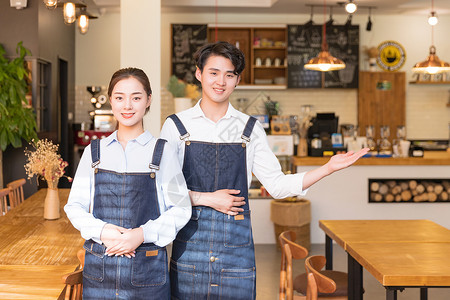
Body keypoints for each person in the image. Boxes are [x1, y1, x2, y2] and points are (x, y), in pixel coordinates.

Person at [160, 41, 369, 299]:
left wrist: (327, 168)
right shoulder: (176, 126)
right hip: (190, 245)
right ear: (199, 74)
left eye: (229, 74)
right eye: (213, 73)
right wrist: (208, 199)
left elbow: (278, 186)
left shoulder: (249, 128)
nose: (220, 82)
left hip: (236, 247)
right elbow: (164, 189)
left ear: (238, 80)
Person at [65, 67, 191, 299]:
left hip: (148, 275)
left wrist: (141, 234)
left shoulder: (163, 153)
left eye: (136, 98)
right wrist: (102, 231)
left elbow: (182, 209)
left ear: (148, 100)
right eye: (120, 98)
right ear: (111, 101)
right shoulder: (94, 152)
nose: (127, 106)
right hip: (99, 272)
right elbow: (74, 207)